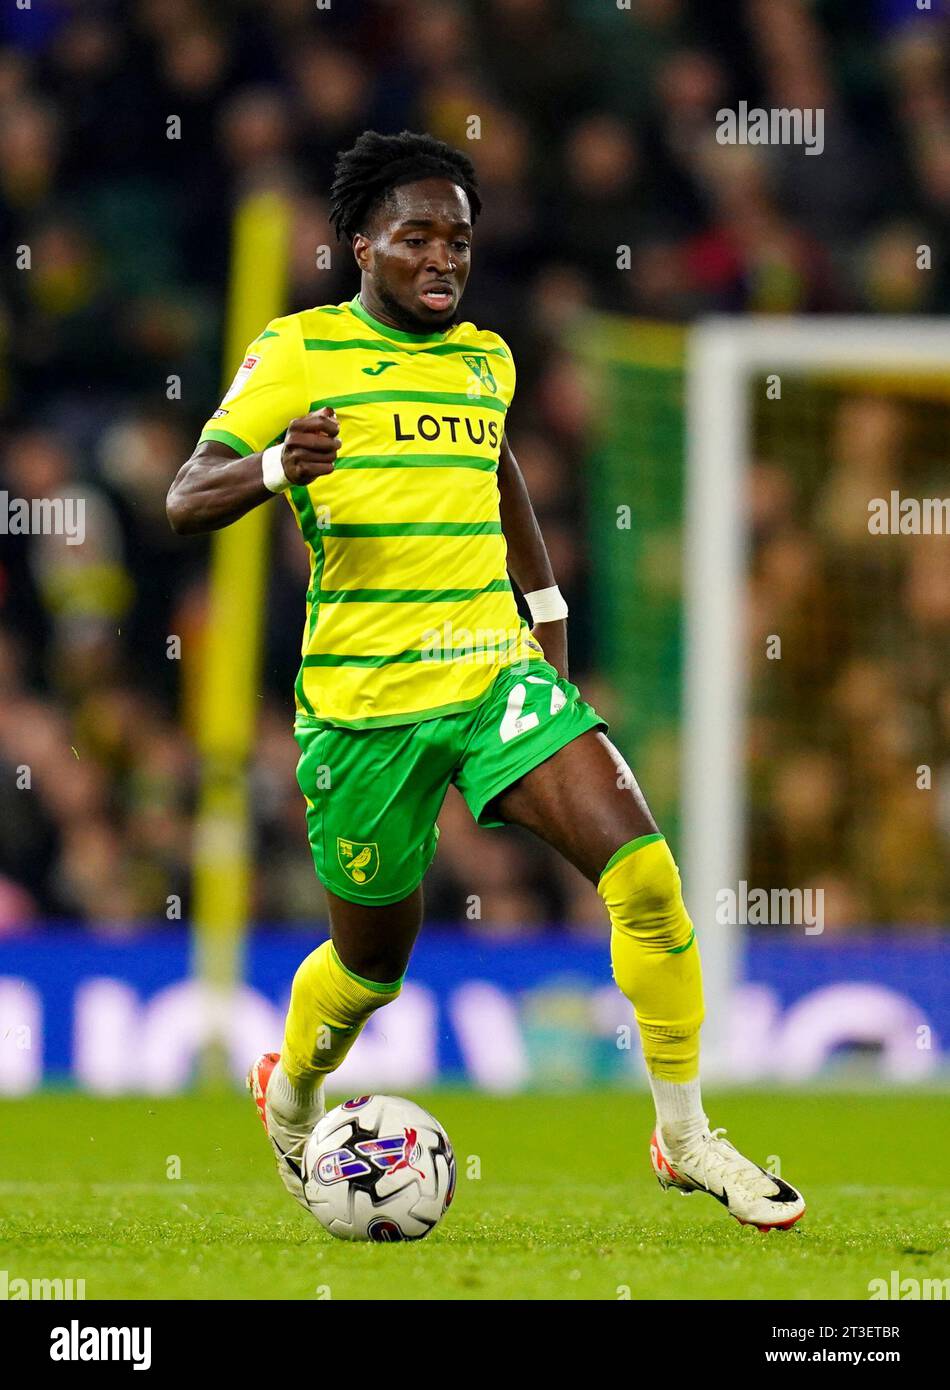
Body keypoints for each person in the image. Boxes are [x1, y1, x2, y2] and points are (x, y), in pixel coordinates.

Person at [166, 129, 804, 1233]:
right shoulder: (300, 351)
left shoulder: (484, 358)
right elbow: (185, 495)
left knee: (644, 874)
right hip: (362, 710)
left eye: (457, 238)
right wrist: (275, 466)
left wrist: (544, 613)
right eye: (416, 236)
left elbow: (495, 467)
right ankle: (294, 1091)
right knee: (372, 968)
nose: (441, 257)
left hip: (489, 674)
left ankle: (685, 1132)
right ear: (361, 245)